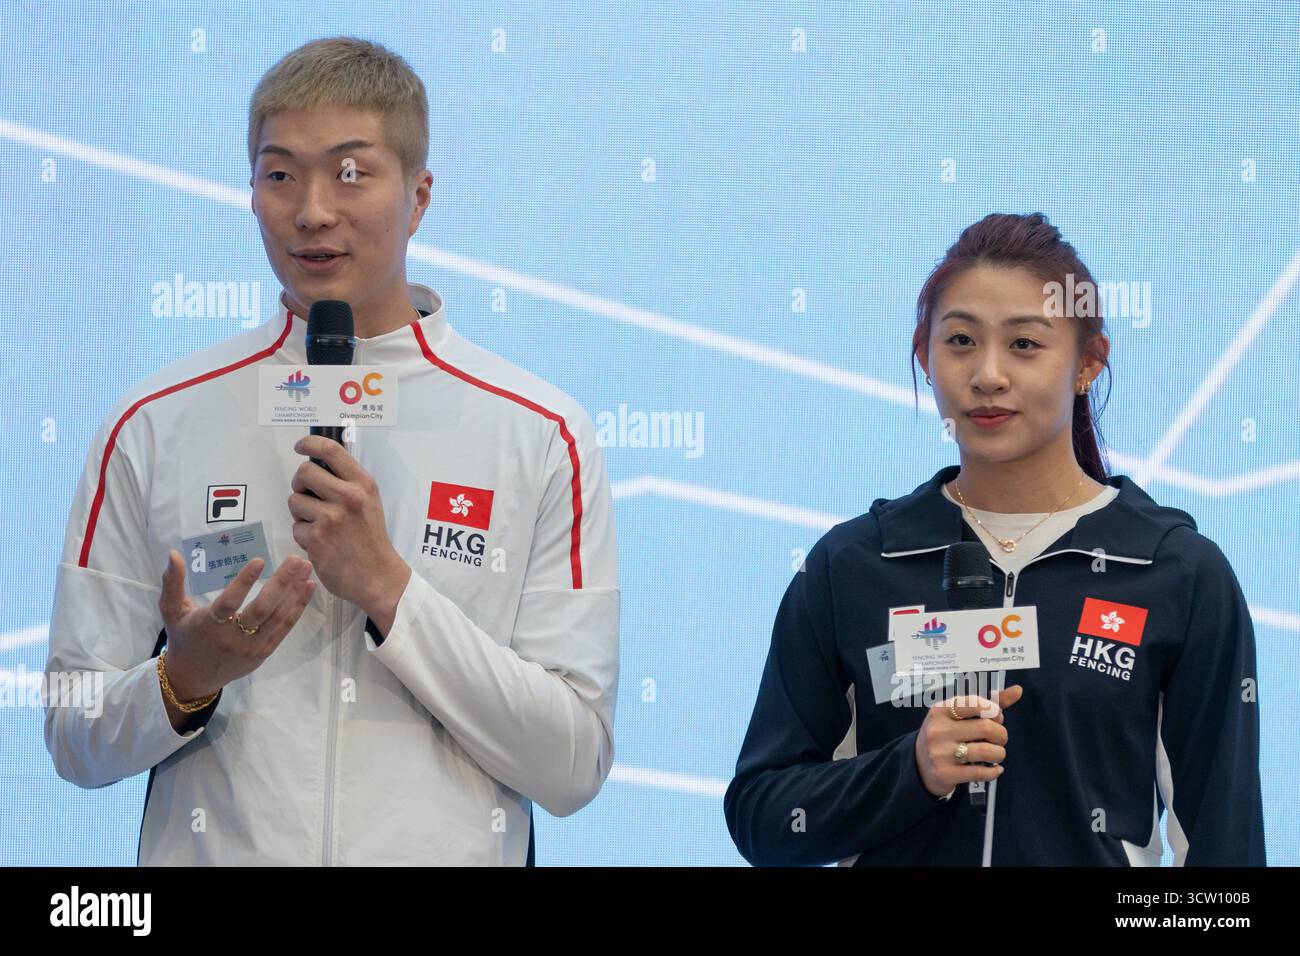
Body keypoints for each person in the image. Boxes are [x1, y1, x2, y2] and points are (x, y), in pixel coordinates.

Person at [44, 37, 620, 865]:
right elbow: (73, 731)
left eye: (351, 172)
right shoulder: (153, 420)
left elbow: (572, 764)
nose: (313, 209)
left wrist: (388, 589)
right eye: (280, 175)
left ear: (419, 197)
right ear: (251, 194)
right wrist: (183, 681)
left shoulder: (539, 432)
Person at [723, 212, 1265, 866]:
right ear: (925, 357)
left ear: (1088, 362)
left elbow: (1225, 855)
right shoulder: (855, 566)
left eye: (1025, 345)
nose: (987, 375)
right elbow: (763, 816)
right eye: (959, 341)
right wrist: (909, 771)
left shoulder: (1174, 572)